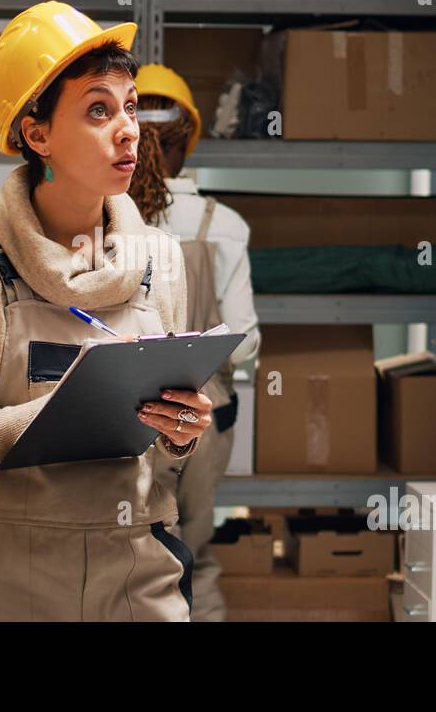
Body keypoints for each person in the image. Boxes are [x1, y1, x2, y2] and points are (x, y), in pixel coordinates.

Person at [0, 2, 213, 621]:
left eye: (130, 105)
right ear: (37, 133)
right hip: (0, 569)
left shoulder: (161, 259)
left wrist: (182, 431)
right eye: (98, 109)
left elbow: (163, 441)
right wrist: (68, 412)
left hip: (136, 567)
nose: (129, 129)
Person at [128, 64, 261, 622]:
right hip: (208, 417)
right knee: (195, 555)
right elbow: (246, 344)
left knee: (132, 549)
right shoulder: (223, 223)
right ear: (190, 141)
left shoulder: (111, 218)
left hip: (129, 416)